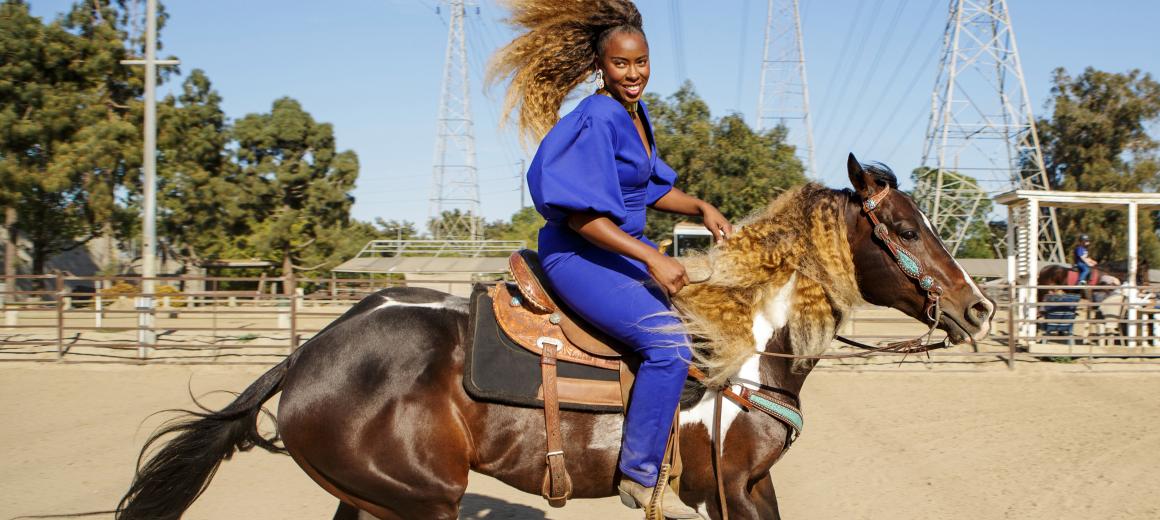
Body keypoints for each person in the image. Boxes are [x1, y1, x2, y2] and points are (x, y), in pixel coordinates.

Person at [490, 1, 730, 517]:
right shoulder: (597, 116)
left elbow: (645, 188)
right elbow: (581, 218)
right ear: (601, 65)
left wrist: (701, 206)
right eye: (621, 64)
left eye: (641, 62)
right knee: (668, 345)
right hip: (579, 254)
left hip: (613, 254)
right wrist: (652, 258)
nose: (634, 73)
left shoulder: (634, 113)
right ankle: (640, 472)